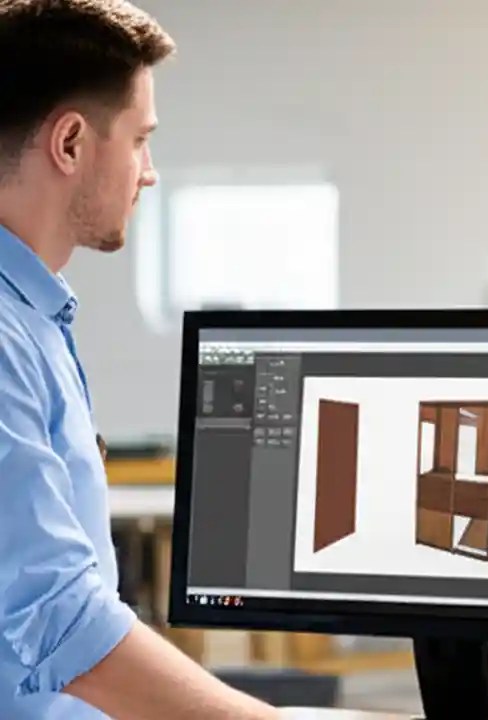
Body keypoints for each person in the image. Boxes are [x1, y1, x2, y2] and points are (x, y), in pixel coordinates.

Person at [0, 2, 282, 718]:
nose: (148, 172)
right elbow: (58, 617)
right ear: (69, 143)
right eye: (139, 139)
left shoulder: (33, 318)